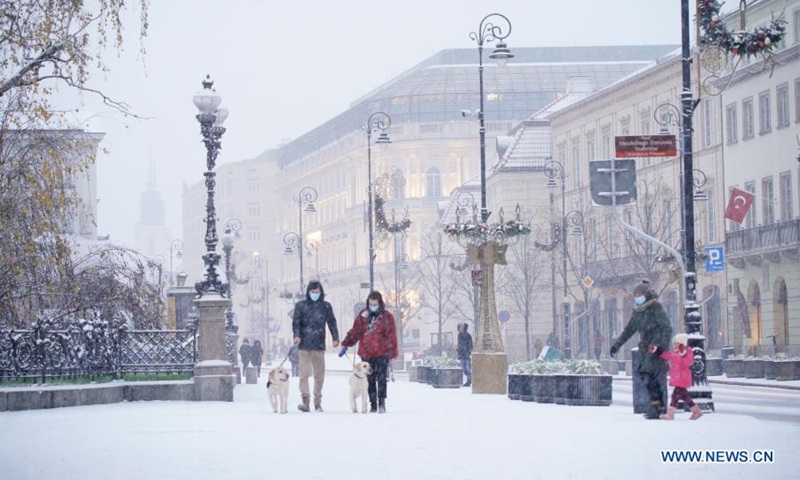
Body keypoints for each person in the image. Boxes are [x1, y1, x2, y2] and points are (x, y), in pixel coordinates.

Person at [610, 280, 673, 419]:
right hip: (646, 349)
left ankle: (658, 408)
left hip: (656, 348)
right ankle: (658, 406)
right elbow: (629, 330)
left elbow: (667, 328)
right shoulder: (637, 311)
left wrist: (661, 346)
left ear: (646, 294)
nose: (637, 297)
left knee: (650, 375)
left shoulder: (655, 307)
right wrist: (617, 345)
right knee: (647, 376)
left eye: (639, 294)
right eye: (635, 295)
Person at [339, 291, 398, 413]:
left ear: (380, 303)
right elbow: (355, 332)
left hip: (382, 352)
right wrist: (346, 344)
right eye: (370, 304)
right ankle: (373, 404)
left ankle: (381, 402)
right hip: (366, 352)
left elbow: (391, 336)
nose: (373, 306)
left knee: (382, 378)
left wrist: (392, 352)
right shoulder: (363, 316)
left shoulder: (387, 317)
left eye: (375, 304)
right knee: (369, 380)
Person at [292, 280, 339, 412]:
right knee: (303, 374)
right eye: (312, 292)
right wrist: (296, 335)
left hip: (318, 345)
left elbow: (332, 322)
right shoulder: (301, 306)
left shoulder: (326, 307)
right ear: (308, 292)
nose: (315, 294)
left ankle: (318, 402)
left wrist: (335, 337)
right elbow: (296, 323)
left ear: (321, 292)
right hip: (304, 345)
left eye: (317, 292)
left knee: (319, 375)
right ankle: (305, 401)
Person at [651, 333, 702, 420]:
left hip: (682, 379)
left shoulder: (688, 352)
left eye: (676, 343)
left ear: (682, 343)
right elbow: (666, 355)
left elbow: (687, 362)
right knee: (685, 396)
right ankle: (696, 411)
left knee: (675, 396)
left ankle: (671, 414)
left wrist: (683, 354)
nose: (674, 345)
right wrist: (656, 350)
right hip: (678, 379)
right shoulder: (675, 354)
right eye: (674, 344)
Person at [457, 322, 473, 387]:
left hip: (466, 354)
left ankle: (469, 380)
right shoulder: (459, 335)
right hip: (462, 354)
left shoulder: (468, 335)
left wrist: (468, 351)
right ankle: (469, 380)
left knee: (467, 368)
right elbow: (459, 344)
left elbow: (470, 344)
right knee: (463, 368)